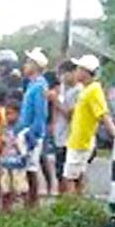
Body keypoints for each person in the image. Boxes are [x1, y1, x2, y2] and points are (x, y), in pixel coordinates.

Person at [64, 55, 115, 195]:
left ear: (86, 72)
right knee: (78, 175)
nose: (76, 72)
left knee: (69, 177)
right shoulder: (85, 89)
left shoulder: (94, 90)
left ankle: (71, 207)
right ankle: (80, 206)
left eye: (79, 69)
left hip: (81, 140)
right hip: (77, 138)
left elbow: (103, 114)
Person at [13, 49, 51, 207]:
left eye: (28, 62)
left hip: (31, 132)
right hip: (25, 130)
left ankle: (33, 202)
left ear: (35, 66)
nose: (25, 65)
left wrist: (33, 133)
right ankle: (30, 200)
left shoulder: (40, 86)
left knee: (31, 167)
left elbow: (41, 113)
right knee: (27, 166)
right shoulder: (31, 84)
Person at [50, 60, 82, 194]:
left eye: (64, 74)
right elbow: (56, 110)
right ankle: (62, 199)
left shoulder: (80, 91)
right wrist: (52, 124)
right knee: (60, 171)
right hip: (60, 135)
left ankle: (77, 200)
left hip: (73, 137)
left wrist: (55, 100)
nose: (62, 77)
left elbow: (71, 114)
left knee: (74, 173)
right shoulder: (61, 88)